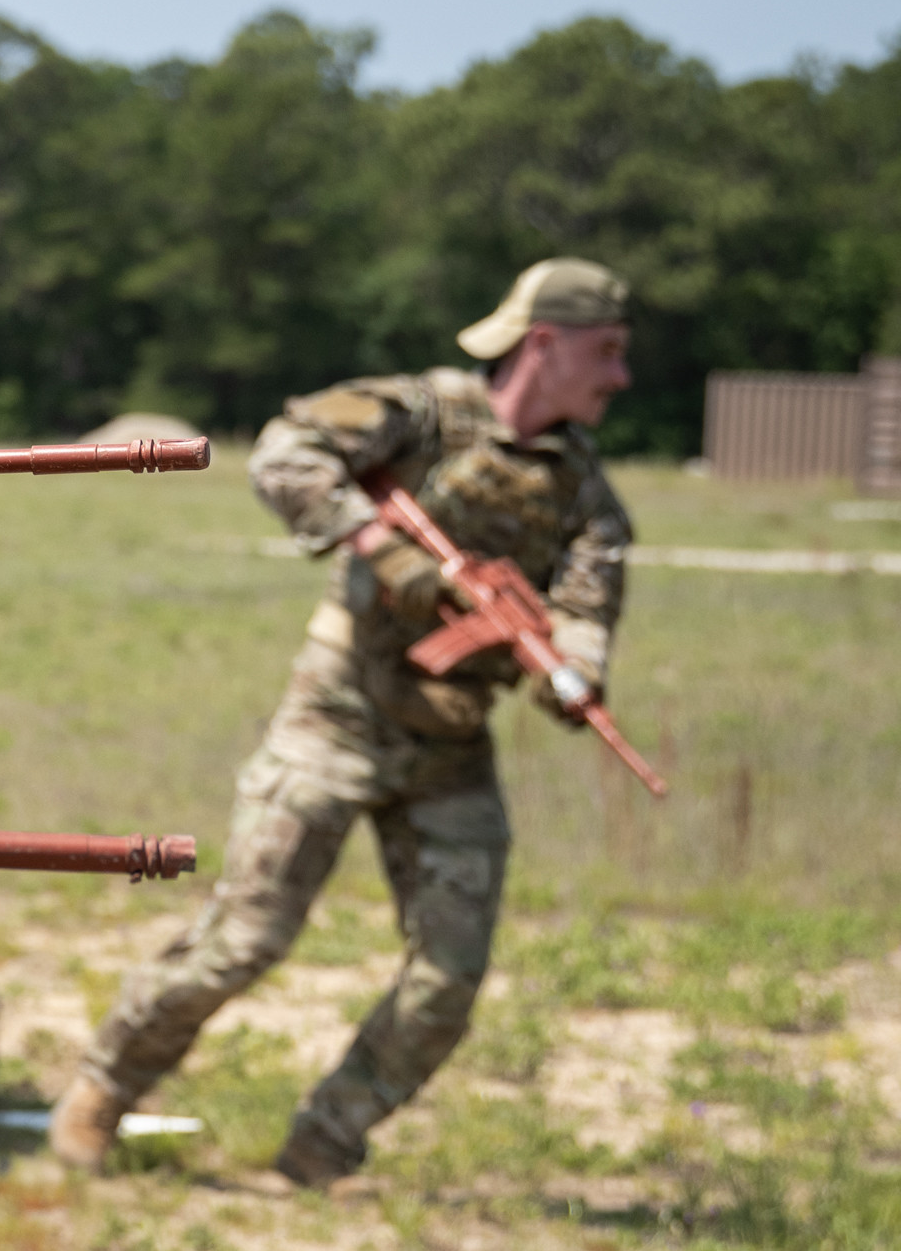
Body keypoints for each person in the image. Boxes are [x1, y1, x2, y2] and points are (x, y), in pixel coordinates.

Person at [50, 258, 635, 1188]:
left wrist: (573, 673)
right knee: (243, 942)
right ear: (544, 345)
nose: (620, 378)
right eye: (606, 353)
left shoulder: (581, 486)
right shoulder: (421, 413)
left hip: (449, 741)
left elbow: (589, 596)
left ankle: (326, 1141)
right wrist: (376, 543)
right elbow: (286, 449)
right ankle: (102, 1088)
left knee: (447, 981)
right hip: (337, 716)